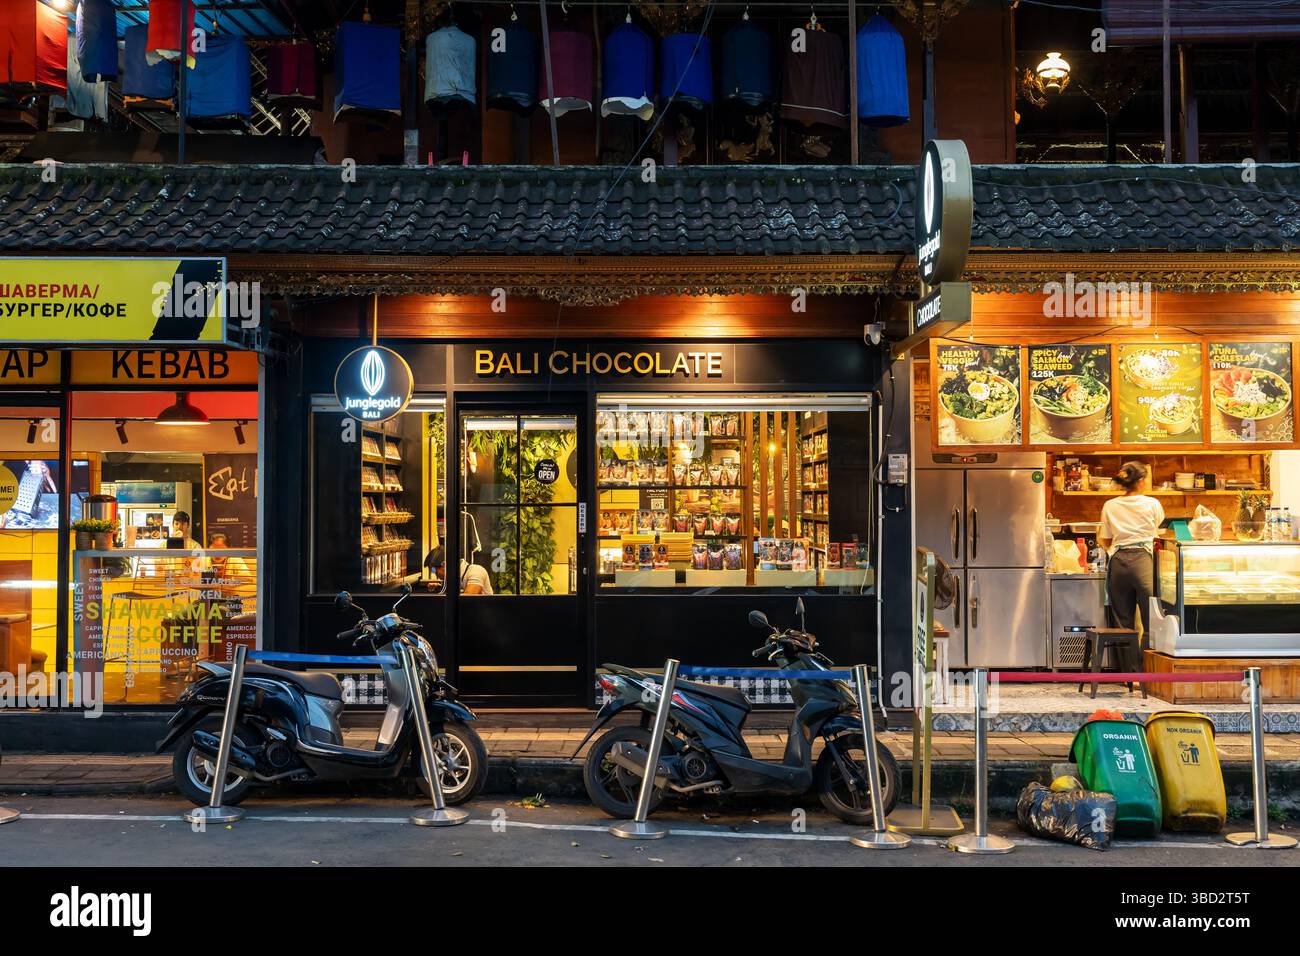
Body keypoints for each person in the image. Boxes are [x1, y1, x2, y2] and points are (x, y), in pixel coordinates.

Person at [1098, 461, 1165, 637]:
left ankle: (1128, 666)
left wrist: (1113, 549)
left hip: (1119, 562)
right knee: (1152, 622)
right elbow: (1158, 529)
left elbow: (1105, 538)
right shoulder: (1152, 503)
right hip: (1144, 561)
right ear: (1141, 480)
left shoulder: (1110, 505)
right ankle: (1148, 665)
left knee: (1123, 625)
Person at [424, 545, 492, 595]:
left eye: (434, 570)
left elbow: (468, 598)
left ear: (444, 564)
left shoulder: (476, 571)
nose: (436, 575)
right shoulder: (454, 578)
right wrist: (439, 588)